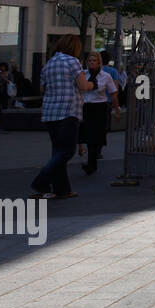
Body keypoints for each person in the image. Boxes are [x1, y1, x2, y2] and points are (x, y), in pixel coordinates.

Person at [30, 35, 94, 199]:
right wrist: (91, 84)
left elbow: (43, 88)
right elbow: (82, 85)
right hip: (68, 110)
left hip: (50, 112)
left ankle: (62, 189)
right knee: (67, 151)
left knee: (57, 151)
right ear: (75, 48)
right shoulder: (73, 62)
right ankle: (41, 181)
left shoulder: (49, 64)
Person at [79, 51, 120, 175]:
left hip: (99, 107)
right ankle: (87, 155)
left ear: (99, 62)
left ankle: (92, 162)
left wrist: (117, 109)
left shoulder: (105, 76)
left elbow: (113, 93)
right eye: (90, 61)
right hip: (86, 107)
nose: (92, 63)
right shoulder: (83, 75)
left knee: (95, 136)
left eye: (94, 61)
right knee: (87, 134)